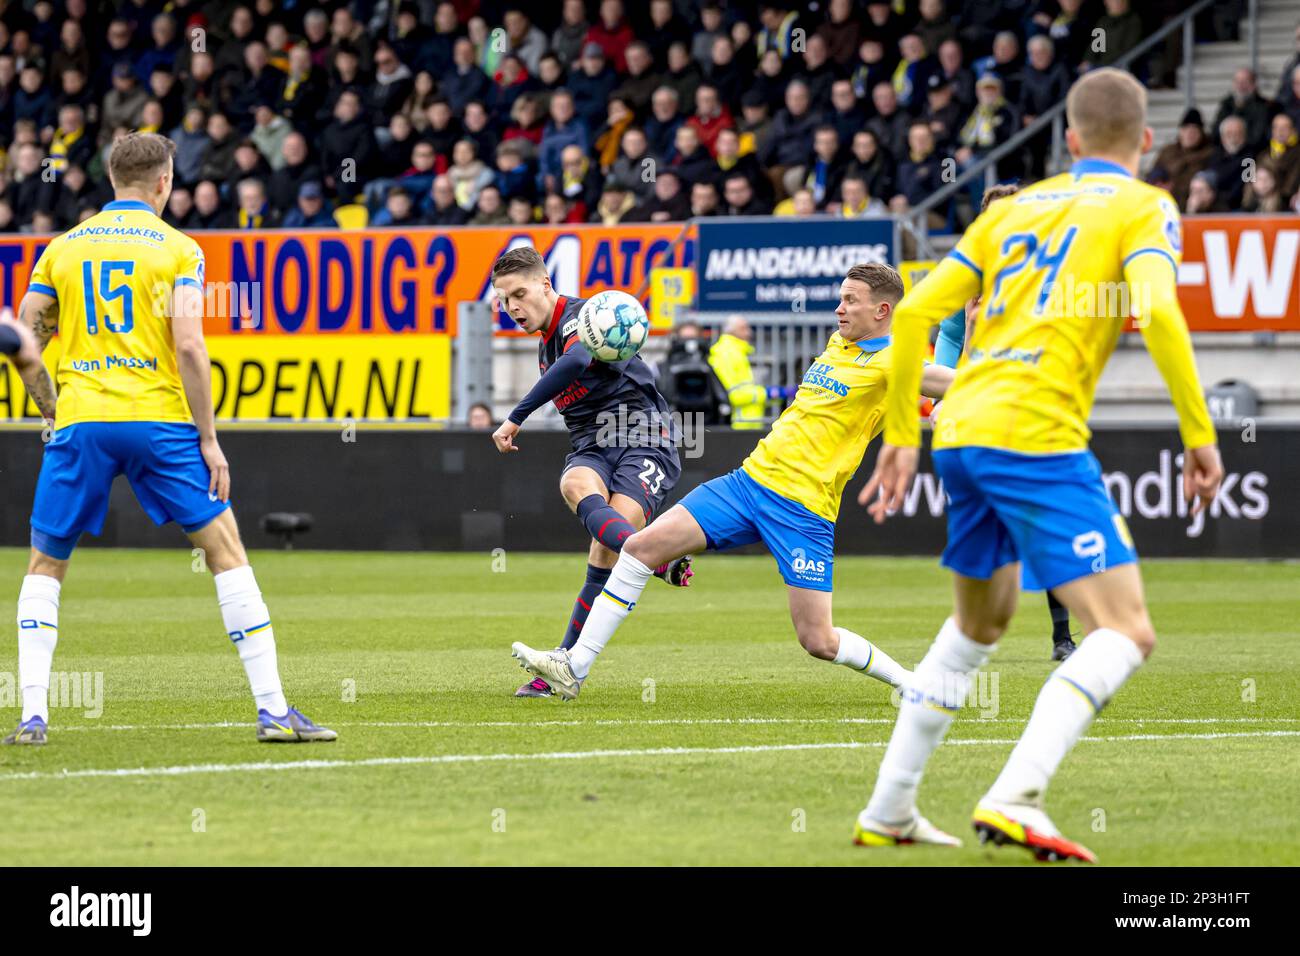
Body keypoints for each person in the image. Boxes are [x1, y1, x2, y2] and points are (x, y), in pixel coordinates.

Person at [854, 69, 1222, 861]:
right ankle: (1017, 795)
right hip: (1034, 432)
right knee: (1125, 628)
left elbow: (914, 311)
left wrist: (899, 436)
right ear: (1147, 141)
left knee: (977, 626)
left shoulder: (1015, 209)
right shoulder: (1145, 206)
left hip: (959, 432)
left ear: (1071, 141)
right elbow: (1157, 309)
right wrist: (1200, 435)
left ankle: (889, 809)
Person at [3, 133, 336, 746]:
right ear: (164, 182)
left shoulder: (61, 249)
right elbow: (188, 345)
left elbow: (24, 341)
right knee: (225, 551)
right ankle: (273, 712)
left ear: (110, 179)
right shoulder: (178, 249)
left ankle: (32, 717)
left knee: (46, 565)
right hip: (158, 422)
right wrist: (209, 439)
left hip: (81, 420)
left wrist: (51, 412)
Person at [510, 263, 954, 700]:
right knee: (639, 548)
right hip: (748, 483)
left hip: (803, 508)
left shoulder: (896, 361)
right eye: (840, 298)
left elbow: (950, 382)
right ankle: (573, 667)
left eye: (849, 301)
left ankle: (911, 684)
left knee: (819, 641)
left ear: (882, 311)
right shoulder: (841, 342)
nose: (838, 309)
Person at [488, 247, 694, 699]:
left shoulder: (582, 317)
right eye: (504, 300)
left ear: (546, 285)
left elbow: (579, 362)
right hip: (593, 444)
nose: (513, 307)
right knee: (574, 485)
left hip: (643, 438)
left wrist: (514, 417)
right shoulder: (547, 344)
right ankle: (654, 559)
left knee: (605, 547)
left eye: (519, 294)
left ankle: (563, 663)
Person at [933, 182, 1079, 662]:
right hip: (976, 417)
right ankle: (972, 633)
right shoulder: (961, 290)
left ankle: (1062, 635)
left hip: (1030, 413)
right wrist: (973, 331)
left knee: (1047, 525)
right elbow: (953, 369)